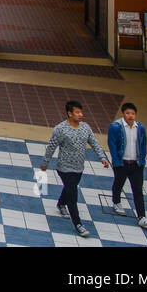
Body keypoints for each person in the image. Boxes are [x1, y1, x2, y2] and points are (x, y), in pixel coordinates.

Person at [41, 100, 110, 237]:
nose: (81, 115)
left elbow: (94, 143)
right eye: (77, 112)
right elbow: (51, 147)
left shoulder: (85, 127)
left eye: (81, 112)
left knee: (69, 188)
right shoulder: (60, 129)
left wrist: (102, 158)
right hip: (64, 168)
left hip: (79, 167)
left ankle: (61, 204)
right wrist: (45, 163)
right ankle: (78, 224)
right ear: (69, 113)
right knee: (73, 194)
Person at [108, 102, 147, 228]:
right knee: (119, 183)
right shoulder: (115, 127)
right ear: (123, 114)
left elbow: (143, 144)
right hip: (122, 163)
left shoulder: (140, 128)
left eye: (133, 113)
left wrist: (142, 160)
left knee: (138, 190)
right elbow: (112, 144)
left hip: (136, 164)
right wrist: (117, 161)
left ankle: (142, 217)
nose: (130, 116)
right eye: (128, 113)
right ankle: (116, 202)